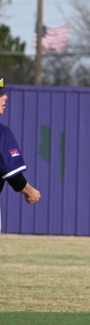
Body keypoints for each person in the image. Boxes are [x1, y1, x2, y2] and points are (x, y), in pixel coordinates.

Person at [0, 80, 40, 234]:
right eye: (0, 95)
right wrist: (29, 191)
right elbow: (9, 168)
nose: (5, 97)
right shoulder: (2, 132)